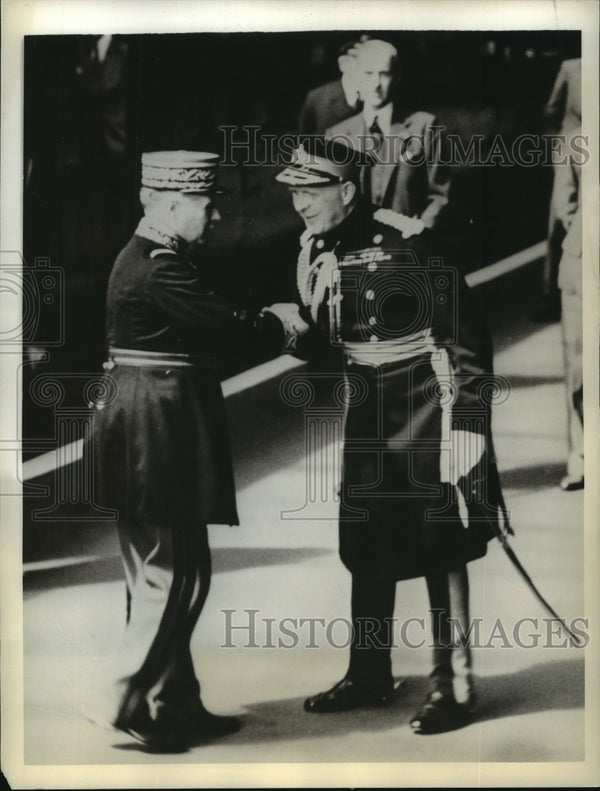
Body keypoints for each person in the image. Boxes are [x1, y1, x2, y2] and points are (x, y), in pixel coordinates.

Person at [269, 137, 509, 734]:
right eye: (295, 190)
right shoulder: (315, 249)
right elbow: (337, 347)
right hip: (367, 409)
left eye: (311, 190)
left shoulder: (406, 241)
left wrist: (469, 429)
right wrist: (293, 333)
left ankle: (453, 685)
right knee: (366, 540)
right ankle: (369, 672)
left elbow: (468, 340)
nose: (300, 202)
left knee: (440, 544)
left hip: (428, 404)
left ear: (346, 191)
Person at [89, 150, 291, 752]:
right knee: (174, 576)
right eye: (207, 205)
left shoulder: (156, 257)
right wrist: (281, 325)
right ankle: (117, 697)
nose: (215, 217)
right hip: (157, 425)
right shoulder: (157, 266)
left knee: (169, 567)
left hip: (150, 421)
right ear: (173, 204)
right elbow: (225, 328)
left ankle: (174, 702)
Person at [325, 39, 449, 229]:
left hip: (407, 246)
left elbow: (438, 196)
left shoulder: (424, 126)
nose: (376, 83)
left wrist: (419, 232)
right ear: (356, 77)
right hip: (356, 249)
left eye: (384, 74)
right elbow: (332, 202)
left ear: (397, 76)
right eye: (368, 73)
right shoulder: (337, 135)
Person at [531, 57, 581, 322]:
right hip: (572, 157)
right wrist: (559, 155)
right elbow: (551, 113)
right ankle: (551, 298)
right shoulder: (571, 68)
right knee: (558, 229)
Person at [554, 139, 583, 491]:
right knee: (579, 371)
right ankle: (582, 457)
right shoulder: (576, 141)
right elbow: (566, 203)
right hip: (583, 264)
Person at [298, 38, 366, 136]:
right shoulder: (318, 98)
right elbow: (303, 140)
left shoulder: (377, 96)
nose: (367, 65)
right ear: (342, 64)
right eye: (360, 60)